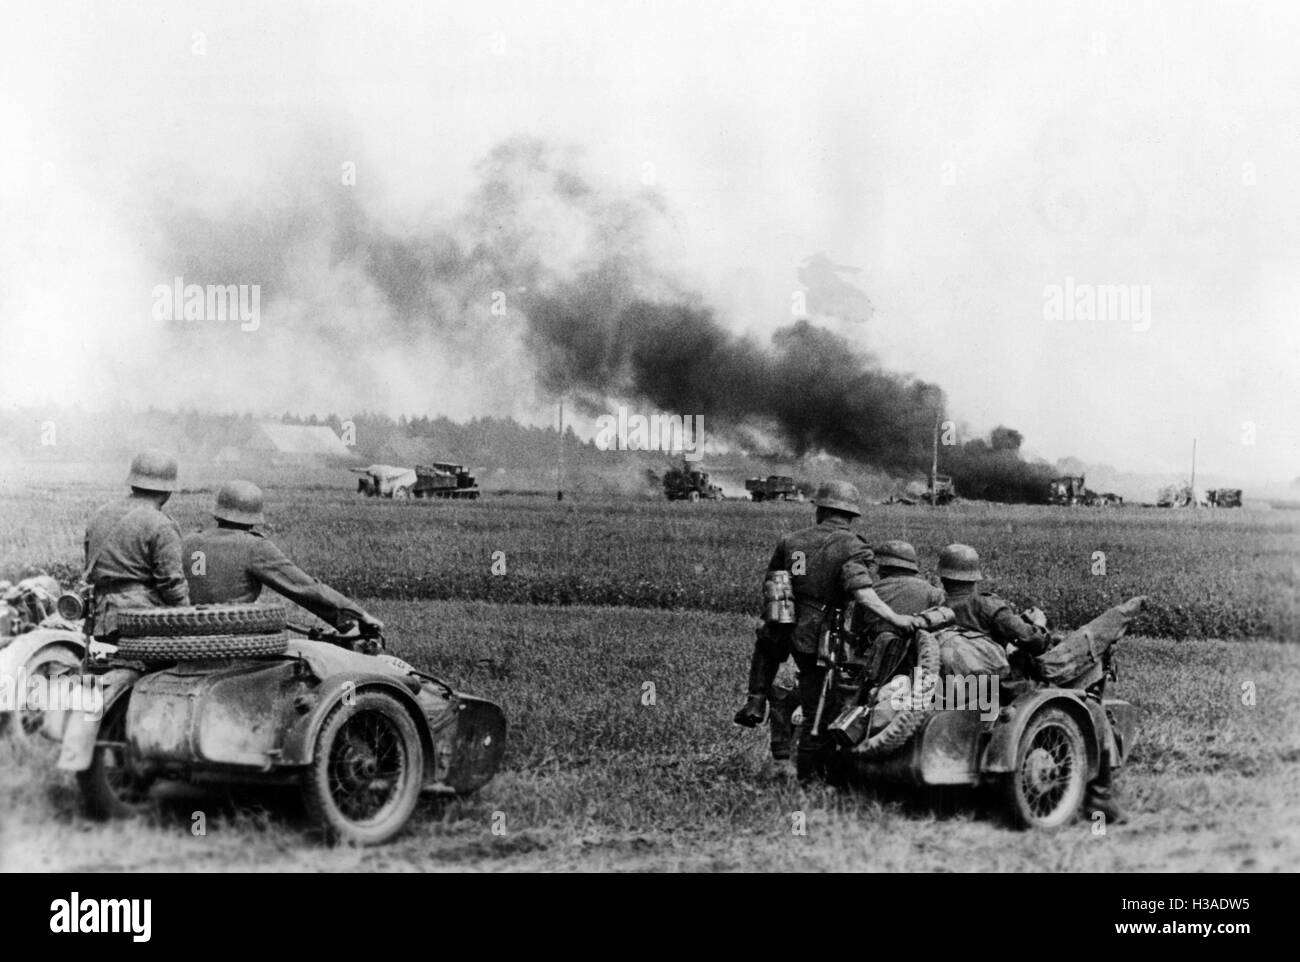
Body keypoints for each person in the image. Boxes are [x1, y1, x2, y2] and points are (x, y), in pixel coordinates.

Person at [734, 480, 928, 779]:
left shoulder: (791, 541)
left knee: (769, 646)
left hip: (782, 620)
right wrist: (896, 617)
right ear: (852, 516)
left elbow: (774, 585)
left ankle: (758, 698)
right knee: (819, 707)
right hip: (817, 634)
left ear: (820, 510)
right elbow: (862, 591)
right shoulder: (853, 546)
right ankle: (810, 777)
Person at [936, 543, 1141, 823]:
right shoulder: (985, 604)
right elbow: (1033, 642)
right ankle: (1099, 796)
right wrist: (1039, 624)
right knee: (1089, 707)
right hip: (1004, 687)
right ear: (974, 577)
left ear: (942, 578)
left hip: (964, 691)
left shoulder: (936, 609)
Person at [182, 480, 383, 633]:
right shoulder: (253, 546)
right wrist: (358, 613)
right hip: (234, 634)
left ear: (218, 512)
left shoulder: (191, 540)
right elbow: (303, 587)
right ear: (254, 517)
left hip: (188, 630)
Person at [83, 449, 190, 638]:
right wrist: (189, 621)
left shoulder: (100, 514)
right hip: (142, 621)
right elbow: (171, 584)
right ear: (167, 491)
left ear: (133, 483)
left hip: (100, 619)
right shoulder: (161, 523)